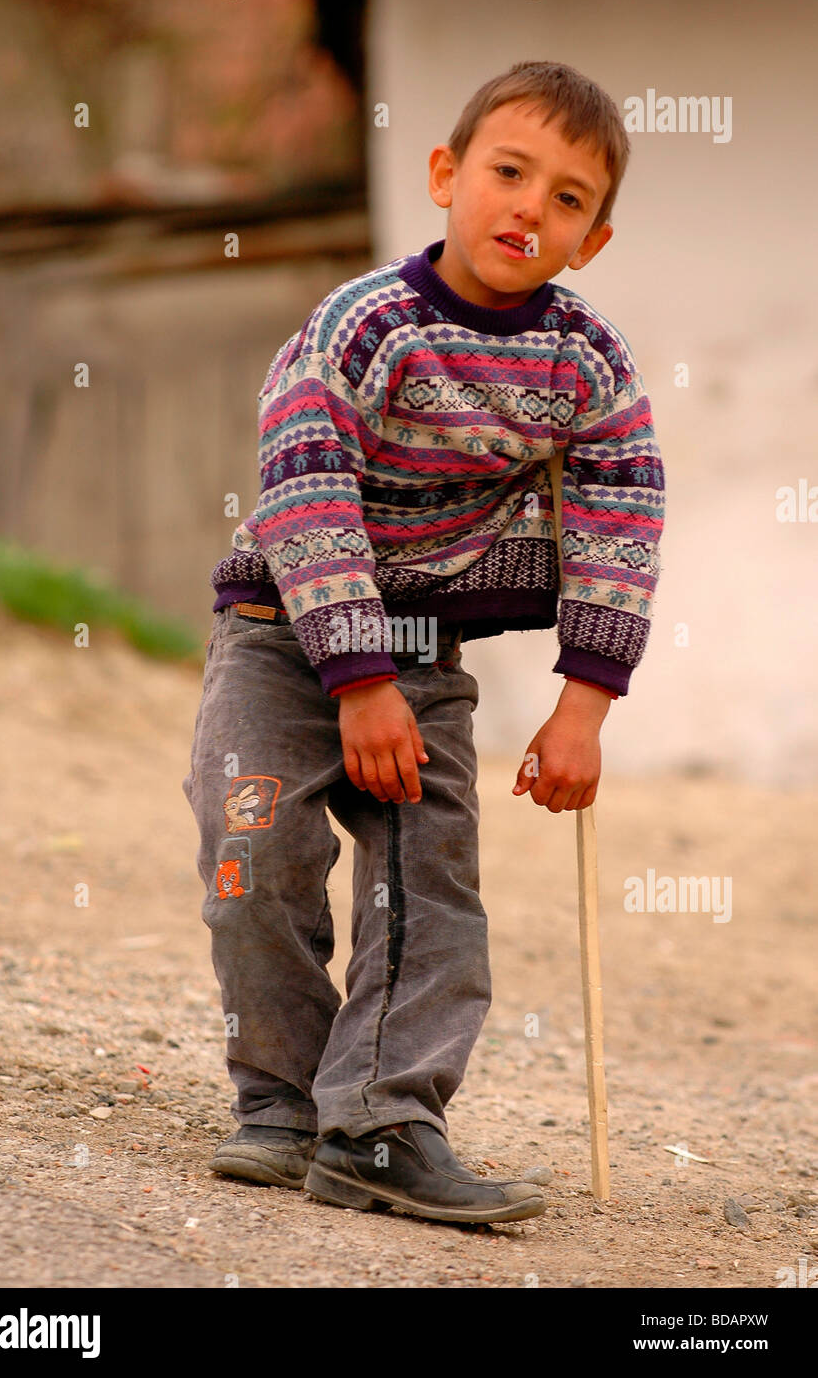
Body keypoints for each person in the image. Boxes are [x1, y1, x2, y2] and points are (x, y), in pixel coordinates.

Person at [182, 60, 665, 1225]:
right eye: (508, 173)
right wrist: (353, 679)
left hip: (426, 650)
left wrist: (581, 706)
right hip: (280, 637)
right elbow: (304, 495)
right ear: (445, 175)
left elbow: (621, 513)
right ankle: (284, 1105)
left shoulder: (582, 365)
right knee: (258, 861)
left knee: (428, 883)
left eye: (565, 199)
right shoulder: (361, 328)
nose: (528, 209)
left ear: (589, 241)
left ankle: (383, 1122)